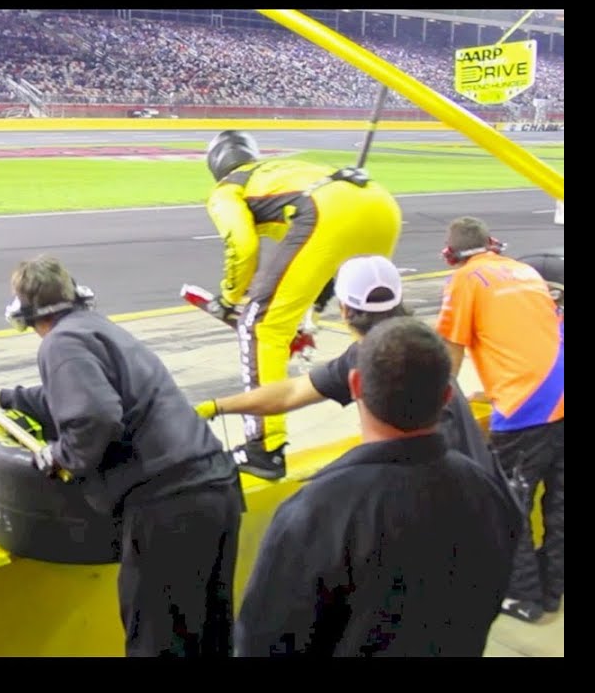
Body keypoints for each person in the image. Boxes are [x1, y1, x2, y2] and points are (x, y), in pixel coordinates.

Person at [0, 255, 244, 657]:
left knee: (158, 642)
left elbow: (96, 414)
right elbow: (67, 395)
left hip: (168, 506)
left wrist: (62, 456)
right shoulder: (97, 329)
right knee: (209, 635)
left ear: (22, 312)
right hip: (214, 490)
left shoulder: (60, 343)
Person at [235, 317, 519, 657]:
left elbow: (263, 640)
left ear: (355, 386)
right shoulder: (486, 489)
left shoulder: (316, 512)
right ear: (446, 396)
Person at [196, 254, 519, 500]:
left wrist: (214, 406)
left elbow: (291, 393)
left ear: (346, 310)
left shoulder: (368, 356)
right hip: (478, 495)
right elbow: (291, 392)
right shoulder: (421, 340)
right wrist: (219, 405)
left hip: (435, 506)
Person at [201, 130, 403, 481]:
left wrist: (229, 297)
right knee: (375, 327)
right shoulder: (282, 168)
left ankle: (263, 448)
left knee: (261, 326)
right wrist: (312, 309)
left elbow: (243, 245)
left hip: (327, 214)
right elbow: (313, 260)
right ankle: (404, 416)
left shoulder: (227, 189)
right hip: (381, 205)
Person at [435, 216, 565, 623]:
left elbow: (449, 354)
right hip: (559, 394)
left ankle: (523, 596)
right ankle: (553, 587)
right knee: (559, 502)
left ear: (451, 255)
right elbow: (532, 338)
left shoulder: (465, 281)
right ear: (492, 244)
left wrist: (437, 406)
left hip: (527, 409)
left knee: (511, 503)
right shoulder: (526, 271)